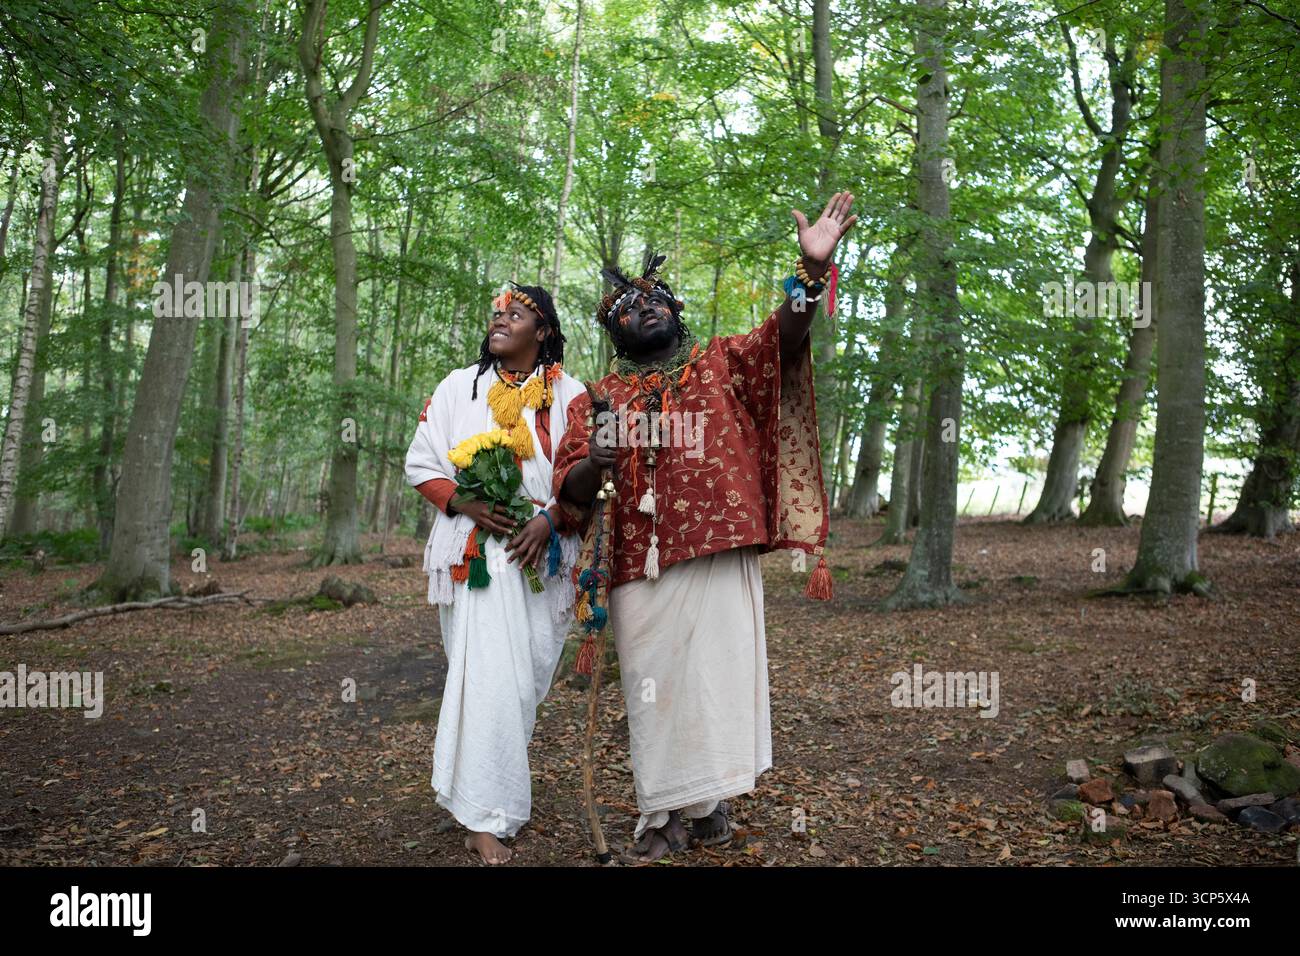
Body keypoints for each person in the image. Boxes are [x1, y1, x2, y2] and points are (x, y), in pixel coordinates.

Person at [553, 193, 856, 863]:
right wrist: (593, 463)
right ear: (614, 332)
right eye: (627, 308)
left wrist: (809, 273)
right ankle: (664, 811)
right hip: (637, 563)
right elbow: (571, 486)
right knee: (652, 688)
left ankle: (702, 807)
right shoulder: (596, 397)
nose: (645, 307)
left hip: (719, 548)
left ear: (678, 311)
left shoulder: (724, 361)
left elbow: (786, 338)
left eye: (657, 297)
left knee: (714, 685)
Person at [405, 284, 586, 864]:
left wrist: (552, 519)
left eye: (516, 313)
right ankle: (482, 817)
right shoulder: (460, 387)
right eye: (497, 313)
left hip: (545, 554)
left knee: (525, 684)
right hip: (475, 551)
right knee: (486, 679)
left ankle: (489, 793)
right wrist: (466, 504)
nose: (500, 319)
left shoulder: (572, 395)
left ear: (545, 331)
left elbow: (588, 479)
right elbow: (421, 461)